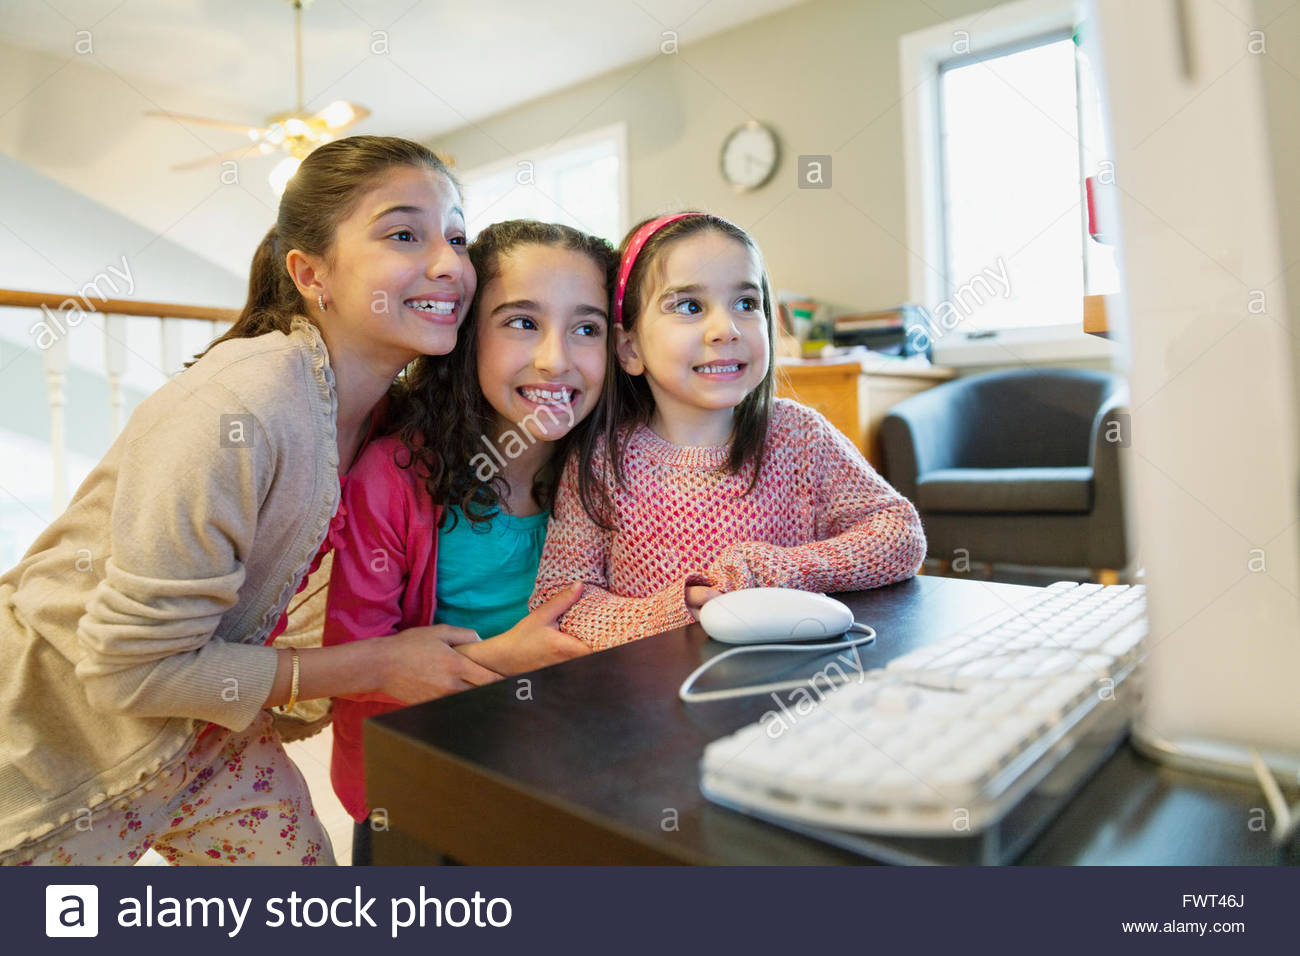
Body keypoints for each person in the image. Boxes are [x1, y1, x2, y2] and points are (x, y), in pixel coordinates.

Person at [0, 135, 498, 866]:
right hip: (57, 745)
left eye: (457, 236)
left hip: (210, 735)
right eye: (404, 234)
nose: (450, 263)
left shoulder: (393, 423)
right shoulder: (245, 404)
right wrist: (378, 664)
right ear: (311, 273)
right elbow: (127, 670)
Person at [322, 220, 614, 864]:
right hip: (426, 785)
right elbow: (354, 666)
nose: (555, 359)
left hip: (565, 776)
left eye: (586, 328)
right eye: (521, 322)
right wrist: (506, 656)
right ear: (465, 336)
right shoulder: (393, 478)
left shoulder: (612, 470)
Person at [529, 212, 927, 650]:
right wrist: (673, 612)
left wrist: (779, 568)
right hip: (659, 694)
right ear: (630, 347)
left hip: (796, 678)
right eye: (690, 306)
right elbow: (560, 601)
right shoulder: (603, 459)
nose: (726, 329)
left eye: (746, 304)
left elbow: (899, 533)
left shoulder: (799, 435)